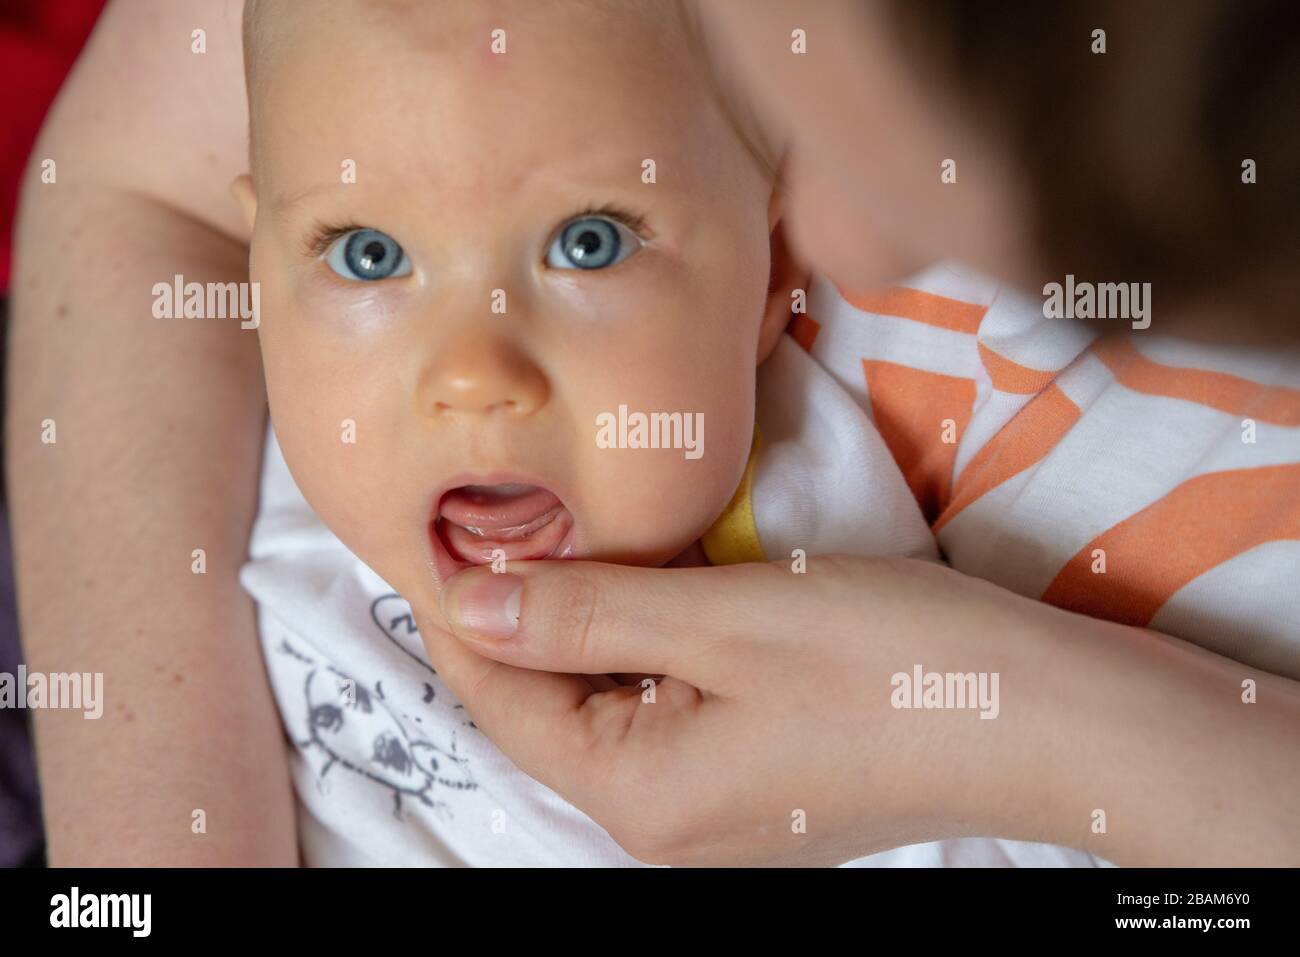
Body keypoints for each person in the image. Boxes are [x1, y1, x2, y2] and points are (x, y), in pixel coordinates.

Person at [10, 0, 1297, 867]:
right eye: (366, 256)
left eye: (590, 243)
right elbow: (142, 169)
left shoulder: (823, 533)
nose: (468, 377)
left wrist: (1010, 739)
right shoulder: (268, 530)